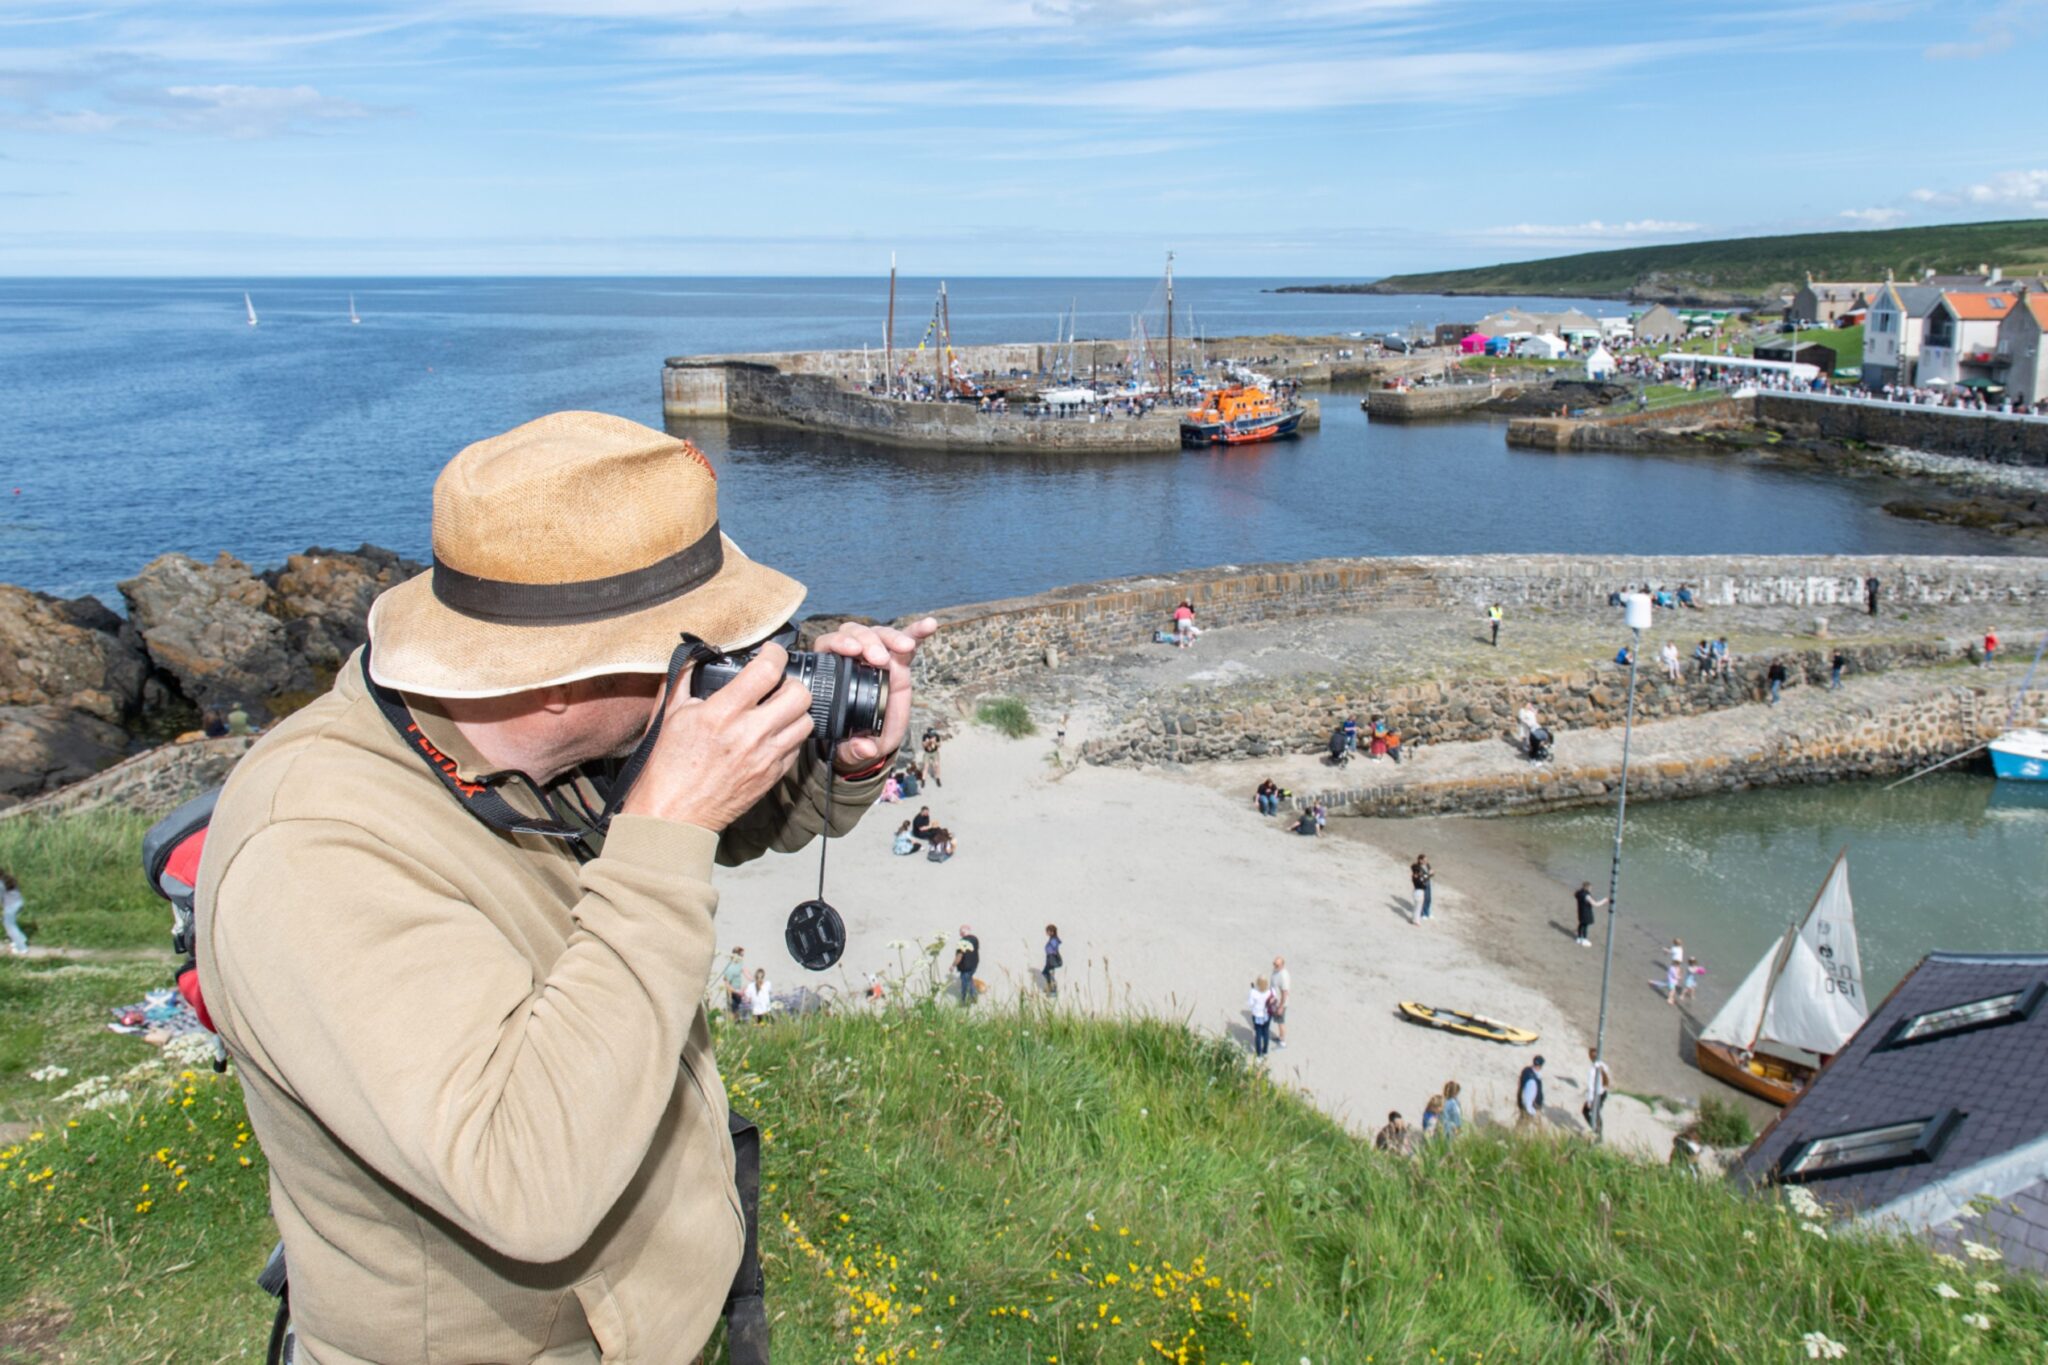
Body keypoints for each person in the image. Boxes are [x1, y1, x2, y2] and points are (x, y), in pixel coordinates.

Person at [192, 411, 937, 1362]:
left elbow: (662, 823)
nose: (740, 663)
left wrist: (844, 762)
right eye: (703, 651)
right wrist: (670, 830)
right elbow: (529, 1185)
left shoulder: (522, 743)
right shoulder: (310, 852)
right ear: (558, 681)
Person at [1583, 1048, 1611, 1135]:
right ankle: (1597, 1130)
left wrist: (1589, 1100)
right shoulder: (1604, 1066)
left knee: (1586, 1111)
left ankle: (1596, 1131)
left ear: (1590, 1057)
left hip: (1596, 1094)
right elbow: (1607, 1082)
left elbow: (1591, 1088)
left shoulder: (1592, 1071)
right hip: (1603, 1093)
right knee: (1596, 1112)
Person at [1517, 1056, 1546, 1133]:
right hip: (1530, 1107)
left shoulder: (1527, 1071)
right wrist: (1531, 1110)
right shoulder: (1532, 1080)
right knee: (1523, 1125)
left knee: (1521, 1123)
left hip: (1523, 1102)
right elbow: (1528, 1096)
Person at [953, 924, 980, 1004]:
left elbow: (959, 955)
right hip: (974, 965)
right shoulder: (975, 939)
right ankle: (973, 997)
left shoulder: (962, 942)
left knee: (965, 984)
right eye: (960, 931)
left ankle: (964, 1000)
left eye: (962, 931)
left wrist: (953, 965)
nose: (961, 933)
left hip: (965, 967)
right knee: (969, 980)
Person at [1573, 881, 1607, 947]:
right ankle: (1584, 939)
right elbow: (1595, 904)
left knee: (1581, 924)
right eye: (1591, 888)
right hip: (1586, 913)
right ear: (1588, 888)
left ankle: (1579, 938)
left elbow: (1575, 895)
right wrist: (1604, 901)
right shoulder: (1587, 896)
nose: (1591, 889)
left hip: (1580, 911)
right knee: (1585, 926)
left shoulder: (1579, 893)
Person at [1247, 974, 1273, 1058]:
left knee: (1258, 1034)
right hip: (1267, 1014)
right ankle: (1265, 1050)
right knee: (1266, 1032)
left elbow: (1250, 1004)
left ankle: (1259, 1054)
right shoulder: (1271, 991)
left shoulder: (1253, 992)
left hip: (1258, 1015)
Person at [1, 867, 24, 955]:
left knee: (9, 926)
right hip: (18, 903)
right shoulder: (8, 880)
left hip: (10, 907)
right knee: (11, 924)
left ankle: (21, 948)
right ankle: (21, 940)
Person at [1269, 955, 1291, 1048]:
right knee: (1278, 1021)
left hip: (1280, 1004)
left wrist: (1281, 1007)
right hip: (1275, 1001)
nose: (1274, 966)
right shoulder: (1276, 971)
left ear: (1282, 965)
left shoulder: (1283, 976)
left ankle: (1282, 1042)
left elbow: (1284, 993)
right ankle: (1279, 1037)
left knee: (1281, 1022)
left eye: (1277, 965)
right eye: (1274, 964)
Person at [722, 946, 747, 1018]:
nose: (742, 958)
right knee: (733, 1015)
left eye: (743, 956)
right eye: (741, 955)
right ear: (736, 956)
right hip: (732, 995)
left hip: (738, 993)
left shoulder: (739, 965)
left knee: (739, 1014)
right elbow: (727, 984)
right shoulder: (730, 967)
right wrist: (737, 991)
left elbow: (746, 972)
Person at [1410, 853, 1433, 922]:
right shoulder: (1417, 868)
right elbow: (1422, 878)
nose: (1426, 861)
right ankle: (1423, 914)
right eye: (1424, 860)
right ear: (1420, 860)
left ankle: (1427, 912)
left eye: (1426, 860)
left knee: (1429, 898)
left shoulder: (1427, 865)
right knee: (1423, 899)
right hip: (1422, 885)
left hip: (1427, 882)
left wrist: (1431, 874)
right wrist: (1429, 874)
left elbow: (1428, 874)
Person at [1042, 924, 1062, 995]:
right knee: (1045, 972)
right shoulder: (1052, 939)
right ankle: (1050, 987)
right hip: (1050, 958)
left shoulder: (1053, 940)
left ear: (1052, 932)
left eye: (1048, 931)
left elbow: (1055, 948)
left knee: (1049, 973)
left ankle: (1053, 990)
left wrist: (1053, 955)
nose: (1047, 932)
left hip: (1051, 958)